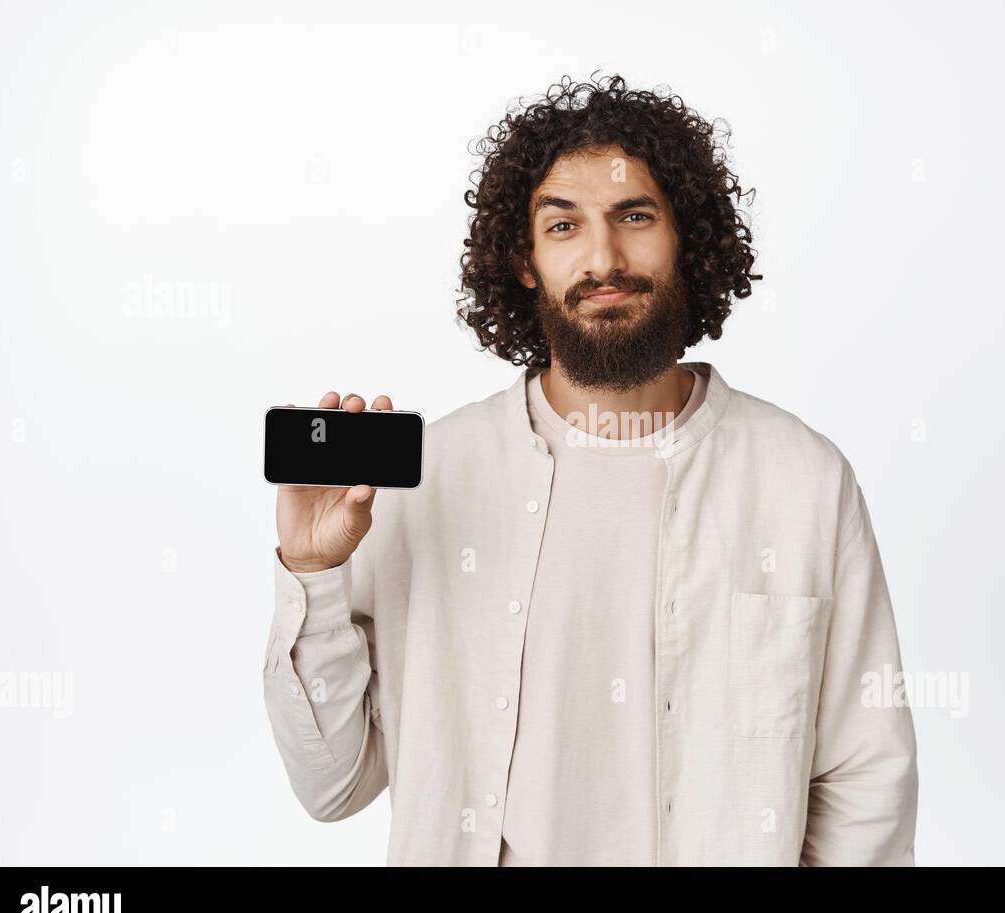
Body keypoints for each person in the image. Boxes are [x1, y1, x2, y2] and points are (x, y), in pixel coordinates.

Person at [264, 73, 917, 866]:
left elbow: (864, 784)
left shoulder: (800, 481)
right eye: (564, 225)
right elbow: (331, 785)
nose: (604, 258)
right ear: (527, 260)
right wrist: (313, 571)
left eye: (634, 217)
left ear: (687, 238)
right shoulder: (433, 476)